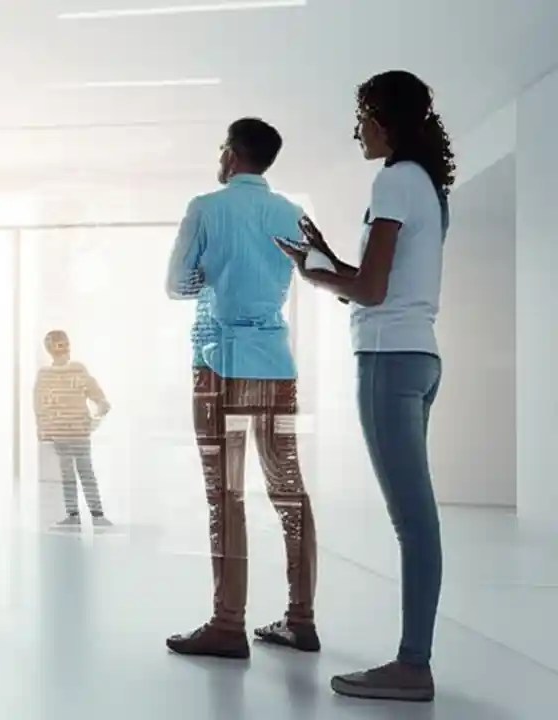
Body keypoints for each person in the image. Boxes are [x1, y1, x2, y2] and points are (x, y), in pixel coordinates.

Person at [280, 71, 454, 703]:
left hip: (387, 359)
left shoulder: (393, 179)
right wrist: (327, 259)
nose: (357, 132)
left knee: (413, 521)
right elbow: (385, 279)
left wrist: (316, 276)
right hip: (418, 356)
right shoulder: (424, 184)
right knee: (417, 517)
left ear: (381, 120)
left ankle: (413, 665)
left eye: (361, 119)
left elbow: (372, 291)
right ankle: (414, 661)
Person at [164, 118, 319, 660]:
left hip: (219, 366)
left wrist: (212, 276)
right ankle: (301, 619)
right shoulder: (290, 213)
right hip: (275, 364)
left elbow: (176, 284)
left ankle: (228, 623)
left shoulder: (206, 207)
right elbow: (314, 270)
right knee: (289, 490)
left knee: (225, 494)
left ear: (231, 154)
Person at [33, 330, 113, 528]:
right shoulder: (52, 374)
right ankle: (85, 514)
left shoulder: (68, 372)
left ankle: (87, 514)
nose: (63, 349)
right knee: (76, 473)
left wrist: (100, 406)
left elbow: (96, 395)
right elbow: (40, 405)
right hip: (68, 432)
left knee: (77, 473)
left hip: (72, 432)